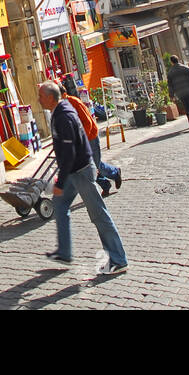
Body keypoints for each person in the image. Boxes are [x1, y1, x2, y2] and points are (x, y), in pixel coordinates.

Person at [37, 81, 128, 274]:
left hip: (80, 169)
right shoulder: (59, 111)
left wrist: (60, 182)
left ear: (51, 97)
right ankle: (64, 251)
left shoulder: (64, 114)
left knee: (98, 214)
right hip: (73, 170)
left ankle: (118, 259)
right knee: (60, 206)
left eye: (41, 96)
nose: (38, 100)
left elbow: (70, 150)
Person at [62, 77, 121, 197]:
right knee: (89, 166)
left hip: (90, 137)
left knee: (93, 165)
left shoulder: (74, 102)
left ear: (63, 94)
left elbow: (87, 122)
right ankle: (107, 181)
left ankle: (113, 174)